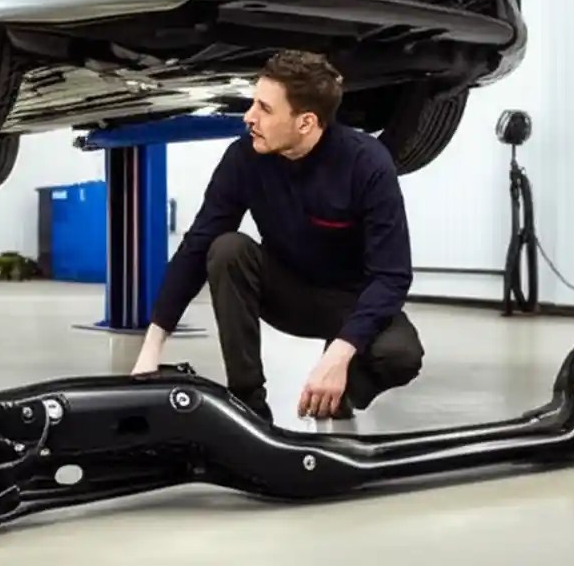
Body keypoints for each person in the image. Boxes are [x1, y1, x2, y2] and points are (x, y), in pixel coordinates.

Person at [129, 50, 424, 422]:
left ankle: (334, 394)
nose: (249, 117)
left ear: (305, 122)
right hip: (285, 292)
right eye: (254, 103)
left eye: (265, 109)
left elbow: (392, 275)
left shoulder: (367, 163)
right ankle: (248, 405)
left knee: (401, 356)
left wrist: (339, 355)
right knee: (226, 249)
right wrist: (152, 347)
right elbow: (197, 246)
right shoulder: (244, 159)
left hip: (349, 300)